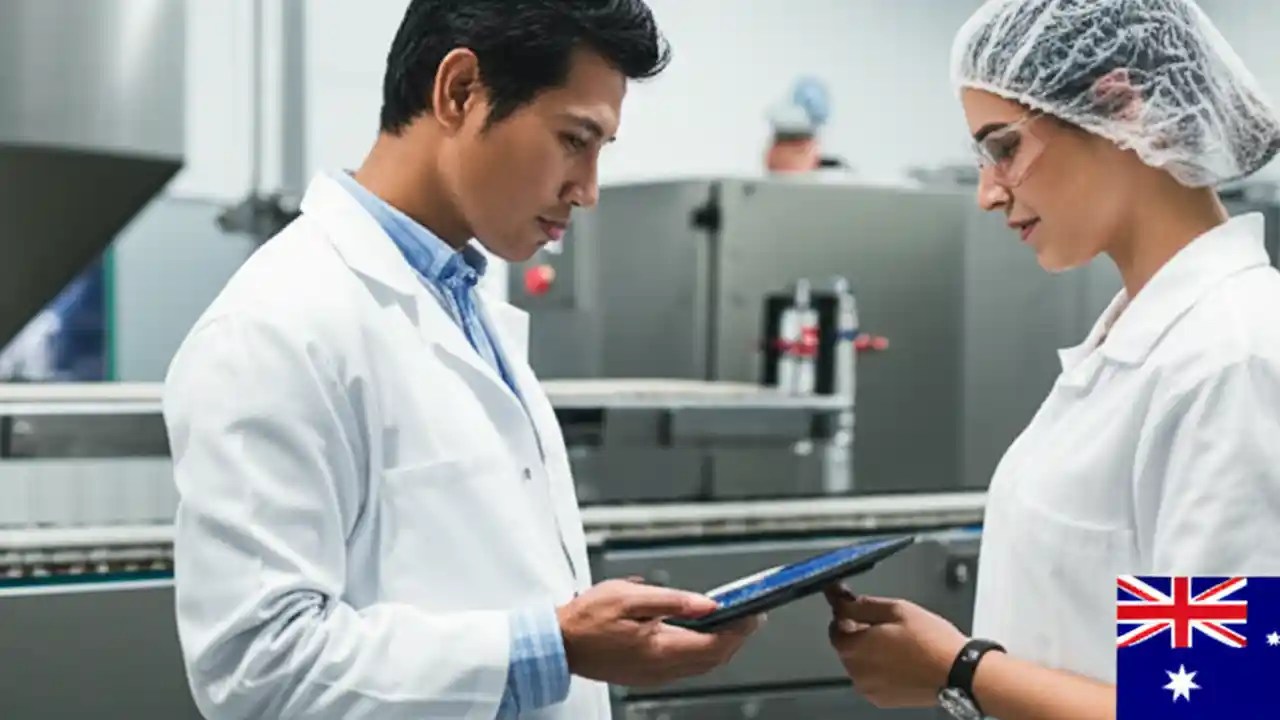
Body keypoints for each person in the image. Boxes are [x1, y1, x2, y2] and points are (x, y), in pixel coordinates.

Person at [162, 2, 758, 718]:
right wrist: (553, 648)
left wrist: (576, 641)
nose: (588, 189)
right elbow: (259, 671)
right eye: (575, 139)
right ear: (460, 92)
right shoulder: (274, 327)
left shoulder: (463, 303)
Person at [825, 1, 1280, 718]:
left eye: (1004, 147)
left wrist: (960, 668)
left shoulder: (1230, 359)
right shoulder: (1139, 342)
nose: (986, 192)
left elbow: (1215, 704)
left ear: (1122, 109)